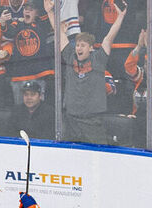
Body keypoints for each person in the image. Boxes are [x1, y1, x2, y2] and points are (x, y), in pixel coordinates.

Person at [49, 0, 127, 145]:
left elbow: (109, 38)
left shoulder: (99, 58)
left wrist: (120, 17)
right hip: (70, 120)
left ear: (91, 48)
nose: (79, 48)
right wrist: (49, 12)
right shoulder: (70, 56)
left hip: (92, 121)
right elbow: (60, 35)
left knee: (97, 156)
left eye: (83, 45)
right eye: (77, 45)